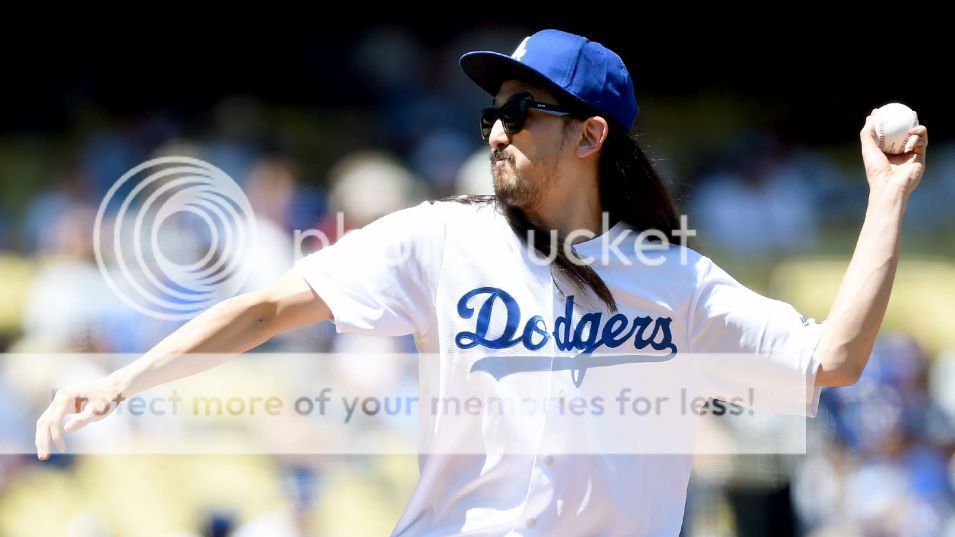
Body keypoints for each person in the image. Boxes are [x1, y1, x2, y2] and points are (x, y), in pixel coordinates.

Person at [36, 29, 928, 536]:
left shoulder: (673, 277)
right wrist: (124, 377)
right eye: (491, 110)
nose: (495, 128)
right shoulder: (438, 240)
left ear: (588, 137)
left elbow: (833, 358)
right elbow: (266, 306)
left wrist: (884, 198)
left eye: (518, 110)